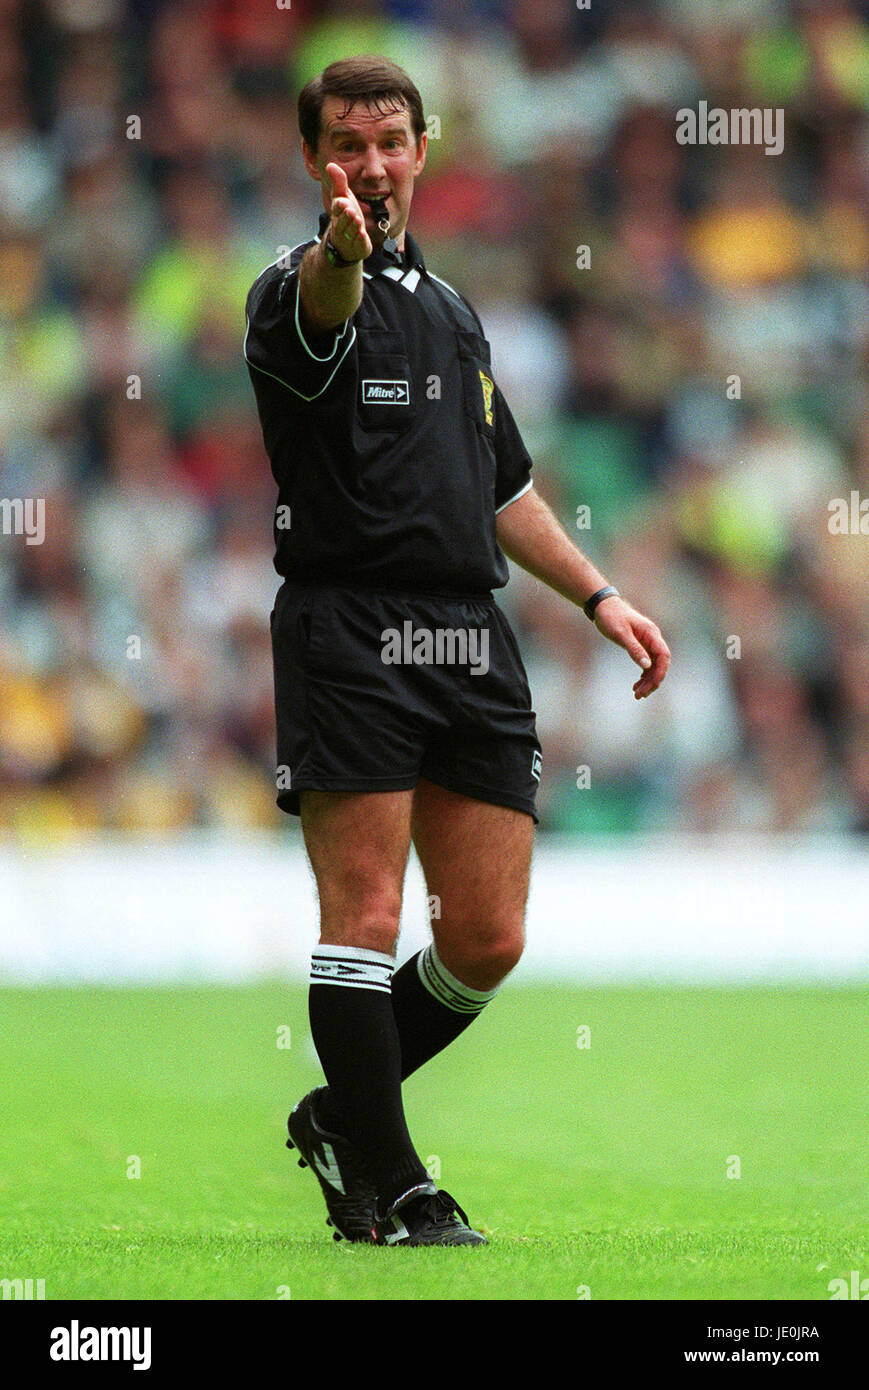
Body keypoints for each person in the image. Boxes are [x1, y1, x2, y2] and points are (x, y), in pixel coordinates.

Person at [244, 56, 670, 1247]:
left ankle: (340, 1116)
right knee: (366, 911)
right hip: (351, 630)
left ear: (422, 149)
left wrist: (599, 597)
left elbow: (503, 486)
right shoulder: (293, 289)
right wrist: (338, 249)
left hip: (467, 637)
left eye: (389, 142)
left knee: (485, 936)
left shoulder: (451, 310)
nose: (370, 166)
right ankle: (396, 1184)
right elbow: (331, 296)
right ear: (314, 159)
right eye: (345, 144)